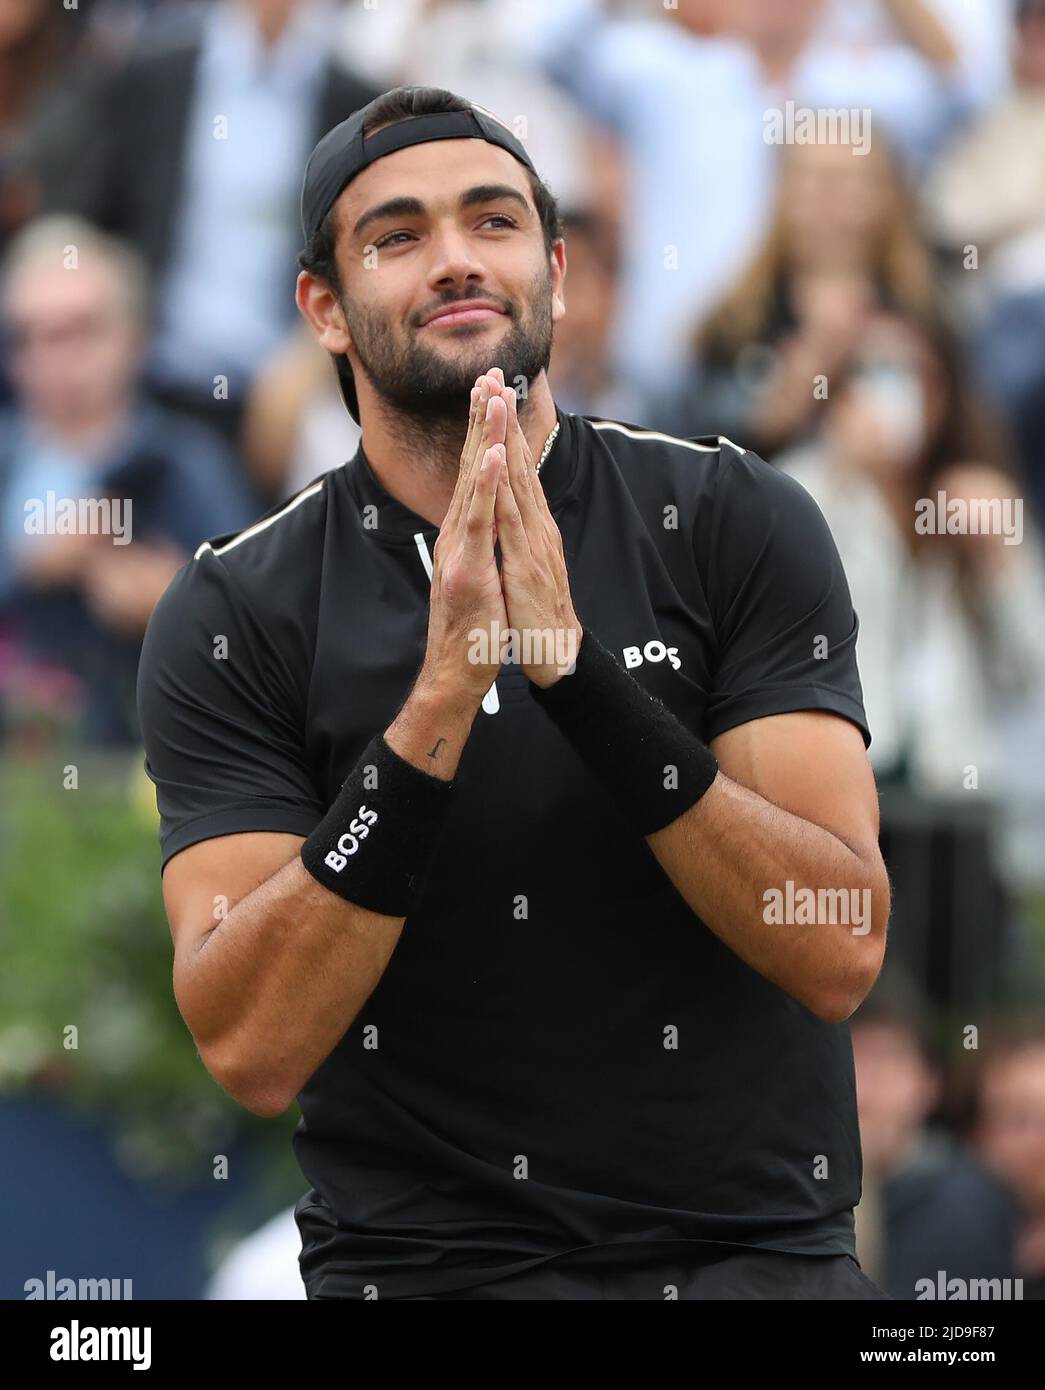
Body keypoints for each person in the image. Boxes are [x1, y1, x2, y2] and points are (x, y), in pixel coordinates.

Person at [137, 85, 891, 1301]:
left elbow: (838, 945)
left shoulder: (726, 517)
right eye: (397, 236)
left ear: (553, 264)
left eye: (492, 222)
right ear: (322, 309)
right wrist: (438, 702)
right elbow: (252, 1044)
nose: (453, 261)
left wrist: (577, 680)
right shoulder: (238, 608)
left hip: (749, 1262)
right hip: (427, 1271)